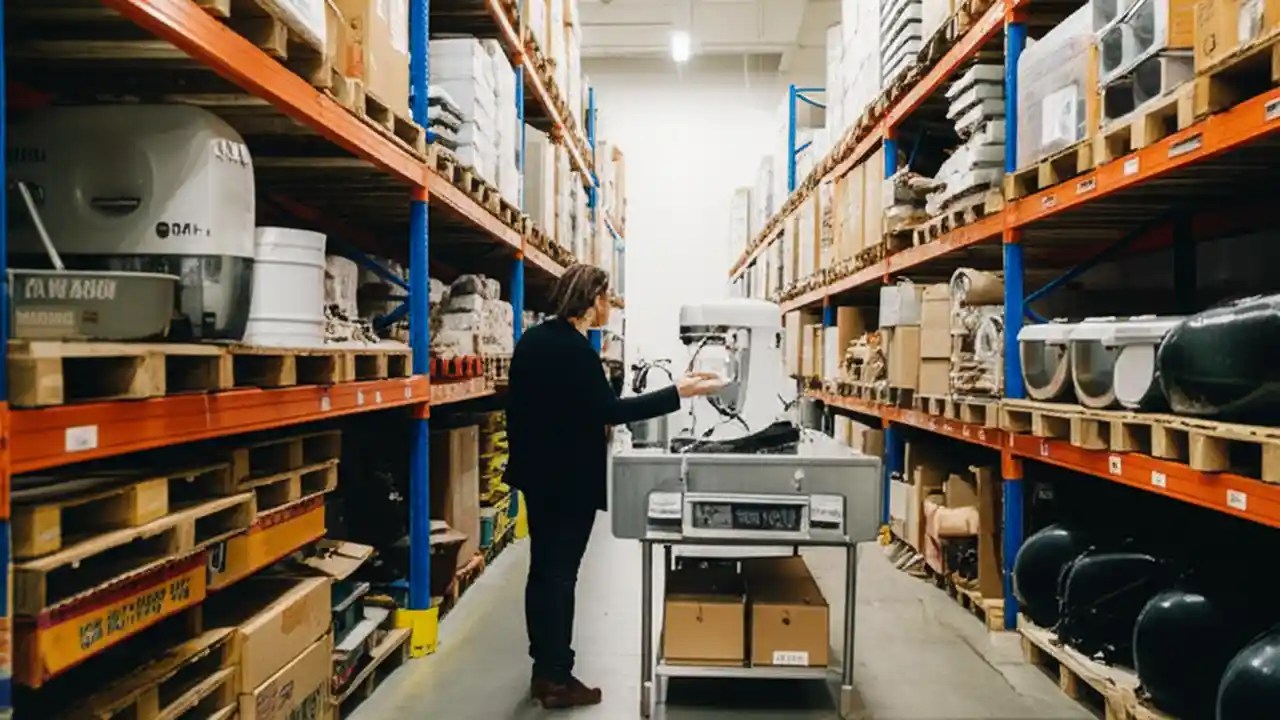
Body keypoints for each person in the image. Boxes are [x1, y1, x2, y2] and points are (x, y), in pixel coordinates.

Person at [504, 264, 723, 709]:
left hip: (536, 476)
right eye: (607, 297)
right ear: (591, 299)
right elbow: (608, 410)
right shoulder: (576, 350)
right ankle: (559, 678)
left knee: (542, 572)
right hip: (568, 482)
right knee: (562, 576)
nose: (609, 305)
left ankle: (543, 670)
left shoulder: (532, 341)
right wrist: (678, 393)